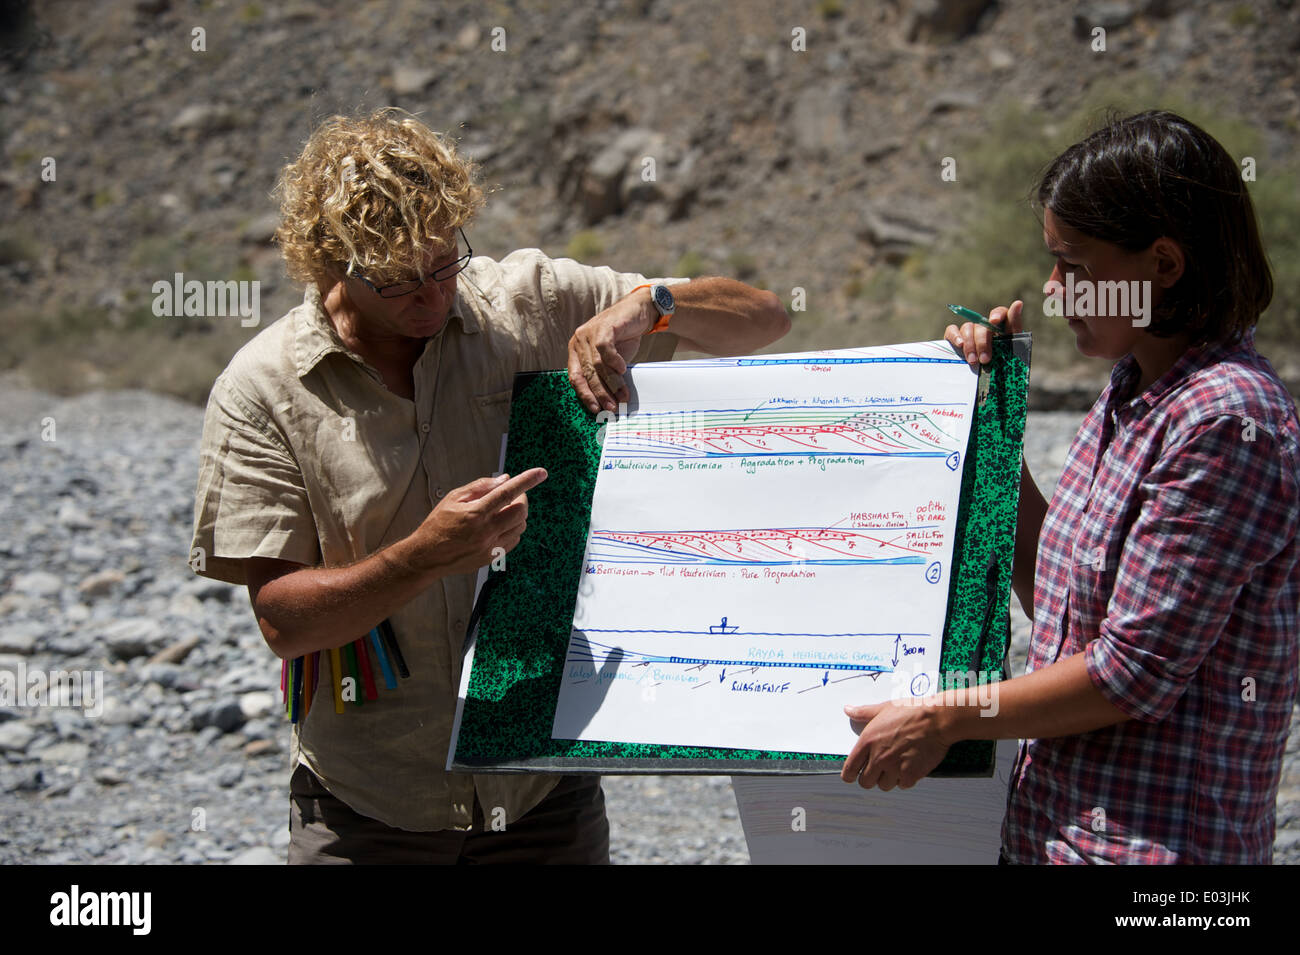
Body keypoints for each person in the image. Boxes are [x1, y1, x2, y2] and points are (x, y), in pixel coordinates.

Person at [189, 108, 789, 864]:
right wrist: (423, 557)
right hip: (370, 807)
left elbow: (764, 320)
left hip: (542, 788)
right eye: (402, 280)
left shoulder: (528, 301)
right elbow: (284, 622)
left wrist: (654, 307)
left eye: (445, 262)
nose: (435, 297)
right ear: (332, 261)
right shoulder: (263, 389)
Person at [839, 110, 1299, 864]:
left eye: (1075, 267)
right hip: (1056, 837)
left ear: (1163, 265)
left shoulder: (1227, 421)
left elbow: (1128, 675)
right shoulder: (1129, 393)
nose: (1054, 293)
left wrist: (944, 717)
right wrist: (990, 429)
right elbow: (1057, 609)